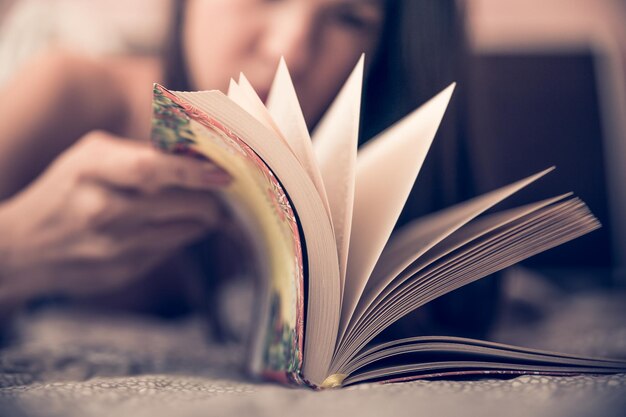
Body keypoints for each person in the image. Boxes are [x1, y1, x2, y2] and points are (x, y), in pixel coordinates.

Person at [0, 0, 497, 339]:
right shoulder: (68, 94)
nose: (290, 50)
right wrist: (16, 252)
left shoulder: (366, 183)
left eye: (349, 17)